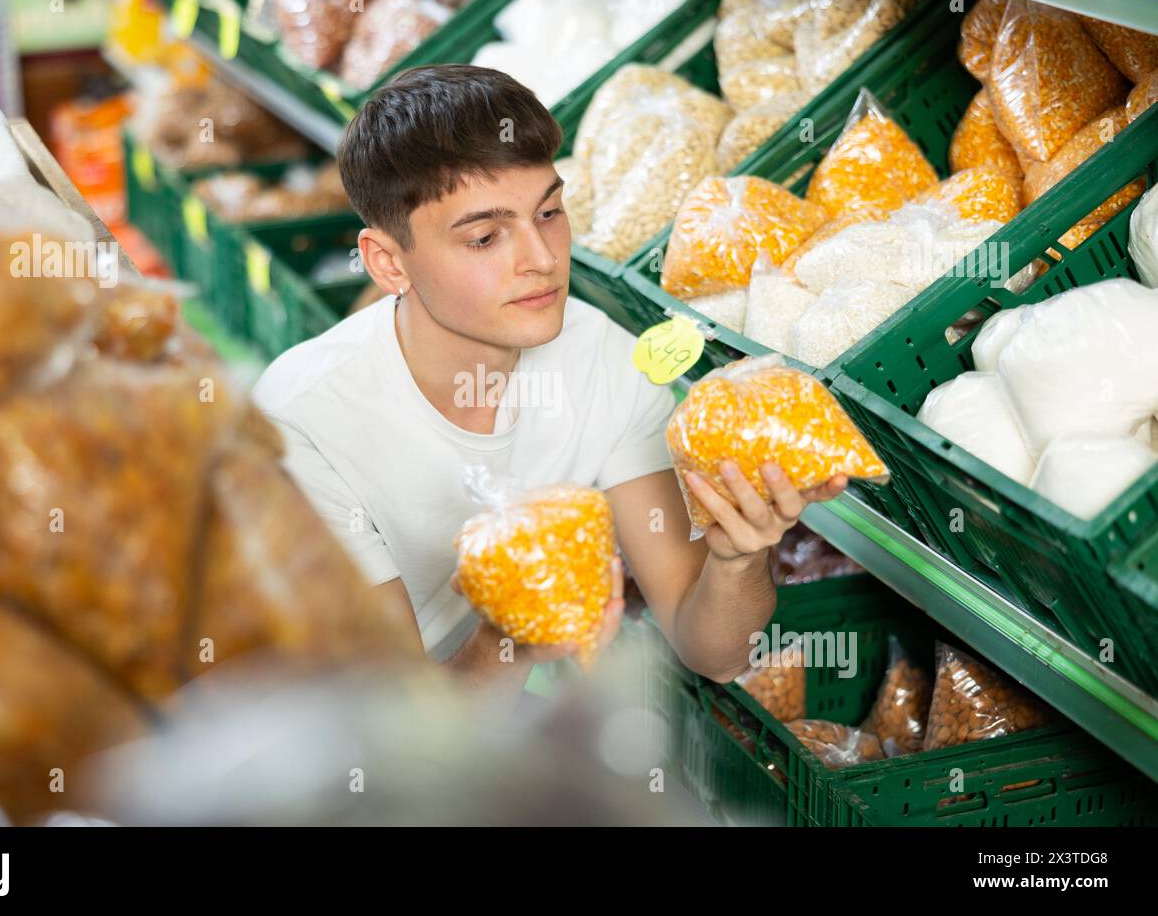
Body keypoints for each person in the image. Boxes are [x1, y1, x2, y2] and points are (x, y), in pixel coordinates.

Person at [253, 64, 845, 699]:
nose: (540, 258)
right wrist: (510, 635)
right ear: (388, 263)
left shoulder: (609, 365)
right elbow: (396, 733)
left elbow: (715, 653)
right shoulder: (302, 420)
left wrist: (737, 558)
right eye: (485, 237)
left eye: (550, 212)